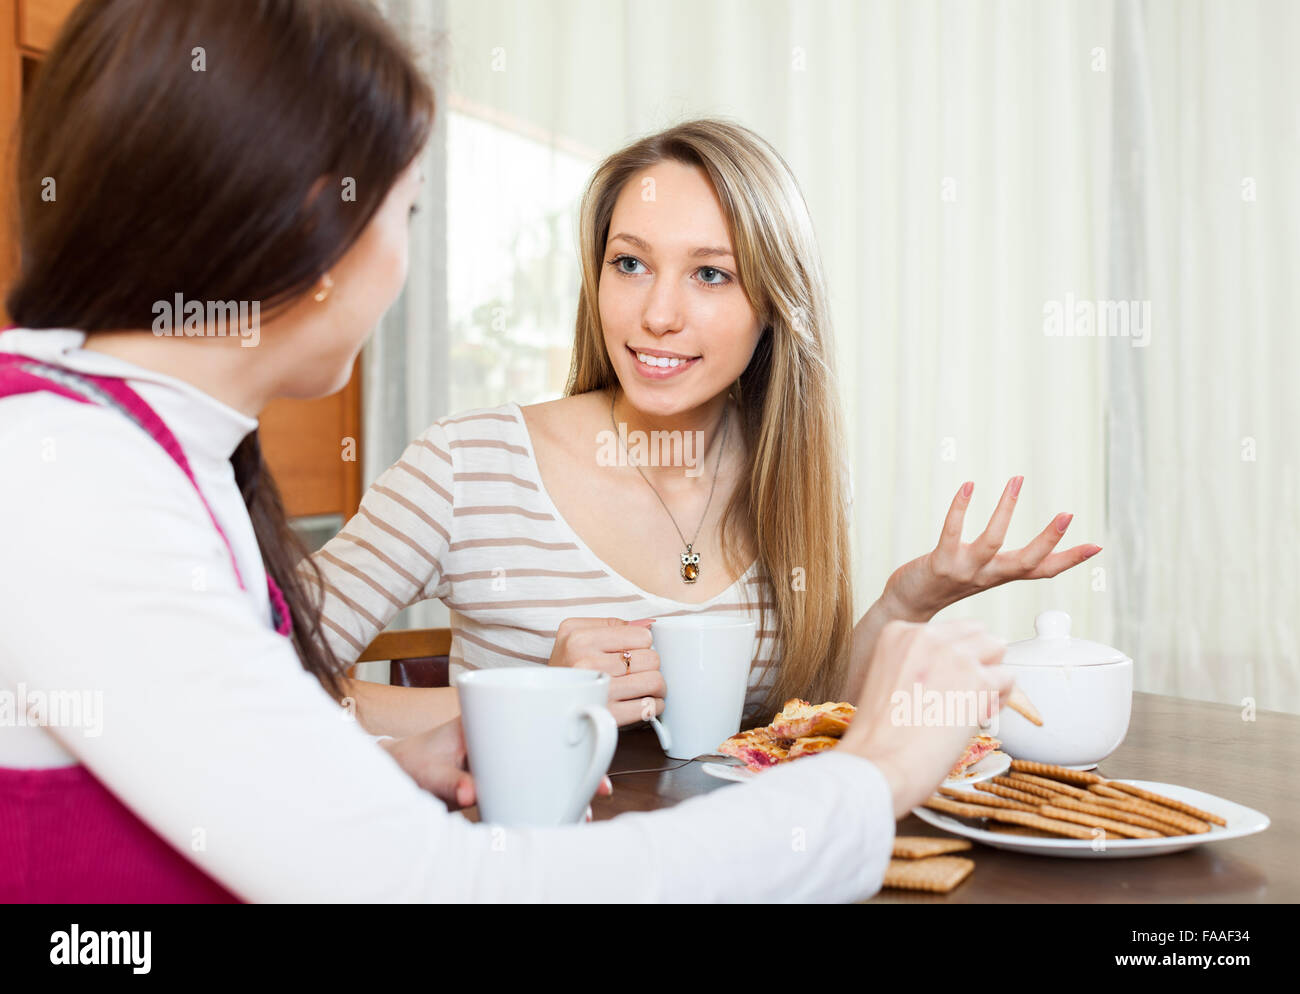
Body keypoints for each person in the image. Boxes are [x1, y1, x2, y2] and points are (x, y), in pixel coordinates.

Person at [1, 0, 1013, 903]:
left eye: (712, 274)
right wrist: (870, 779)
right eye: (405, 211)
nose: (661, 313)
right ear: (302, 220)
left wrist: (396, 765)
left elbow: (237, 750)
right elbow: (429, 885)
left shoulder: (133, 456)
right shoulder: (74, 481)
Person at [310, 117, 1100, 736]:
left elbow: (797, 722)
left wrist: (905, 604)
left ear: (775, 307)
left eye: (711, 274)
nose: (657, 314)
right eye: (630, 263)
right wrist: (526, 703)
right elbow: (257, 676)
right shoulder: (467, 464)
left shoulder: (796, 473)